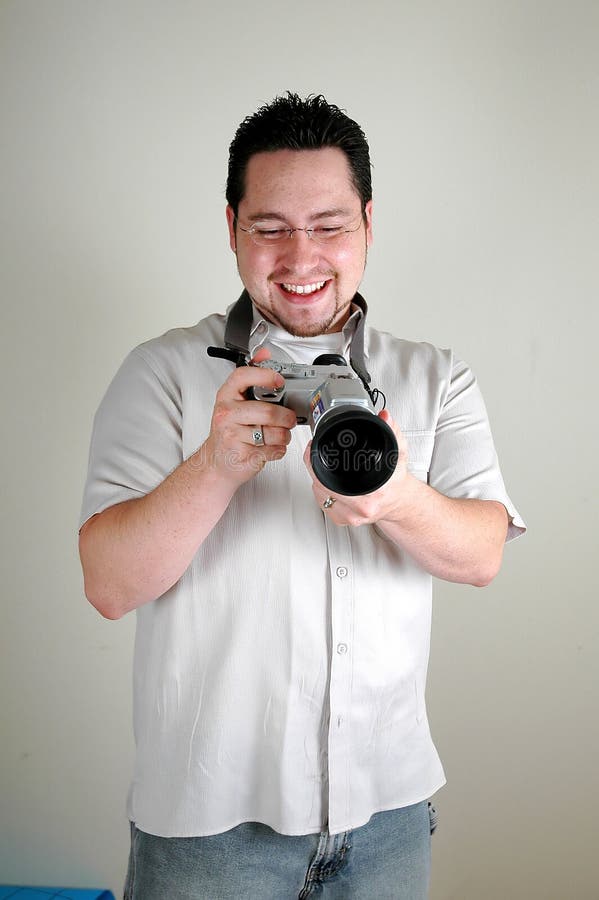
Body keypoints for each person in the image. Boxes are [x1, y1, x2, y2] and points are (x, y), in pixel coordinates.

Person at [79, 93, 525, 900]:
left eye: (329, 224)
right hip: (209, 828)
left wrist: (389, 495)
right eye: (270, 228)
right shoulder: (163, 374)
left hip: (389, 813)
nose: (300, 255)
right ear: (231, 228)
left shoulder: (435, 378)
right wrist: (213, 465)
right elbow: (109, 586)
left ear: (366, 224)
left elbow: (481, 555)